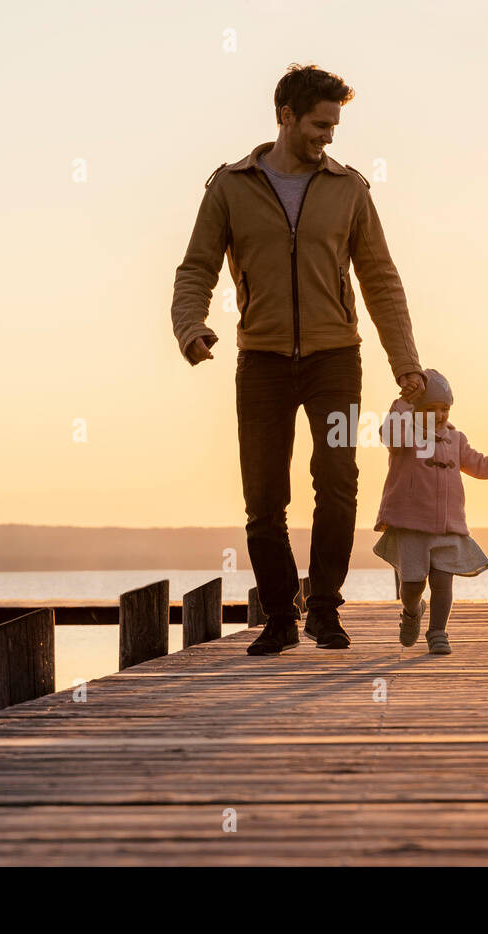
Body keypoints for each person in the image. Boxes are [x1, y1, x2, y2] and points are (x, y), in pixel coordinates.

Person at [171, 64, 426, 655]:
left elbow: (381, 280)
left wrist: (405, 362)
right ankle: (280, 618)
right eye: (318, 124)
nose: (327, 136)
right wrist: (191, 329)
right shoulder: (230, 188)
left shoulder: (349, 189)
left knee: (337, 480)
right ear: (285, 116)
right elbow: (196, 269)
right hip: (260, 362)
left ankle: (326, 611)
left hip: (336, 357)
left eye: (334, 125)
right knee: (264, 494)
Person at [372, 369, 488, 654]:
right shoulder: (405, 435)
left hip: (448, 527)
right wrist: (404, 405)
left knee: (443, 582)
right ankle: (411, 611)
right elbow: (389, 433)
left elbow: (481, 465)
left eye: (444, 408)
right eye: (430, 409)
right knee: (411, 585)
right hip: (411, 526)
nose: (439, 415)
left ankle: (437, 632)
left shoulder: (456, 440)